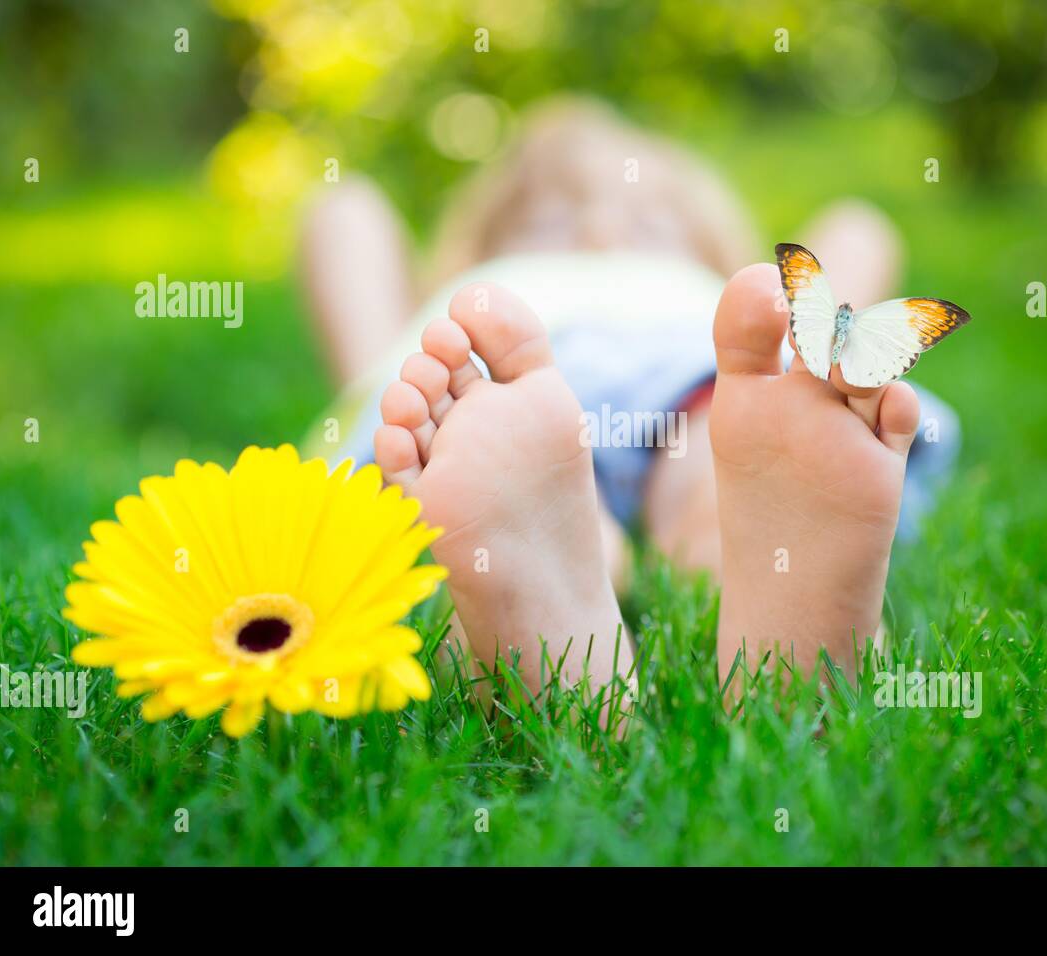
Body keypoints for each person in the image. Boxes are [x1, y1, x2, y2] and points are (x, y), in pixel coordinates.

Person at [299, 98, 959, 694]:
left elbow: (859, 227)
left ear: (716, 255)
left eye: (652, 224)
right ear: (474, 252)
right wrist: (382, 376)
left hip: (700, 381)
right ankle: (557, 562)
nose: (601, 235)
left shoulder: (724, 310)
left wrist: (798, 333)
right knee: (467, 448)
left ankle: (728, 554)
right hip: (501, 399)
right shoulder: (454, 331)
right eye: (549, 221)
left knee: (725, 453)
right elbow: (342, 215)